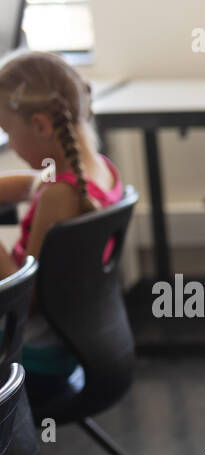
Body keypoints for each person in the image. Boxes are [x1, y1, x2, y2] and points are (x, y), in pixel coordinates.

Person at [0, 50, 125, 387]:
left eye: (7, 132)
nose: (10, 144)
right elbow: (30, 184)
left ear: (39, 124)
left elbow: (22, 302)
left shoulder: (61, 196)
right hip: (74, 340)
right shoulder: (97, 172)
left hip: (31, 353)